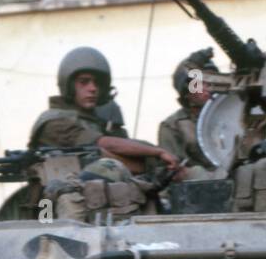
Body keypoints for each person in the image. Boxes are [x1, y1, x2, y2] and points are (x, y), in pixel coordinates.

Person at [29, 46, 181, 178]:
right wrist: (157, 153)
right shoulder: (54, 122)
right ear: (69, 86)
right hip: (54, 205)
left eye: (97, 83)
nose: (93, 88)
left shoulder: (93, 120)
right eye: (84, 82)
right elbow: (104, 144)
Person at [158, 48, 220, 175]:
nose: (208, 86)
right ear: (186, 93)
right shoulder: (172, 126)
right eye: (199, 83)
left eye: (212, 79)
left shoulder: (233, 114)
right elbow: (174, 171)